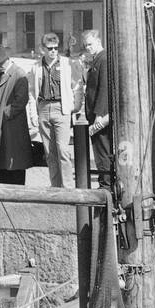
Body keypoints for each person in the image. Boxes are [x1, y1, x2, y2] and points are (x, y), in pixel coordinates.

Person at [29, 33, 75, 189]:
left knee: (63, 150)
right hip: (43, 108)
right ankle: (55, 186)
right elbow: (32, 93)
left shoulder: (66, 64)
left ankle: (68, 187)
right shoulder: (36, 67)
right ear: (43, 49)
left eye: (56, 48)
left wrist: (72, 108)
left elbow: (77, 87)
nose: (53, 51)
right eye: (50, 49)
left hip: (61, 108)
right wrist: (34, 114)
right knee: (50, 152)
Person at [0, 47, 31, 186]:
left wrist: (3, 114)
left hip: (13, 125)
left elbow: (21, 101)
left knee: (14, 161)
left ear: (7, 60)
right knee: (3, 158)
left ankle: (17, 191)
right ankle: (4, 188)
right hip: (3, 125)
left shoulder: (18, 74)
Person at [82, 29, 114, 194]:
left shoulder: (103, 59)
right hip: (96, 113)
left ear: (99, 41)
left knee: (102, 150)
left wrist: (100, 115)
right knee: (101, 149)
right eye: (86, 45)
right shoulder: (98, 59)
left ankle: (105, 185)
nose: (88, 47)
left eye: (90, 44)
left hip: (100, 114)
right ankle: (105, 182)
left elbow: (104, 88)